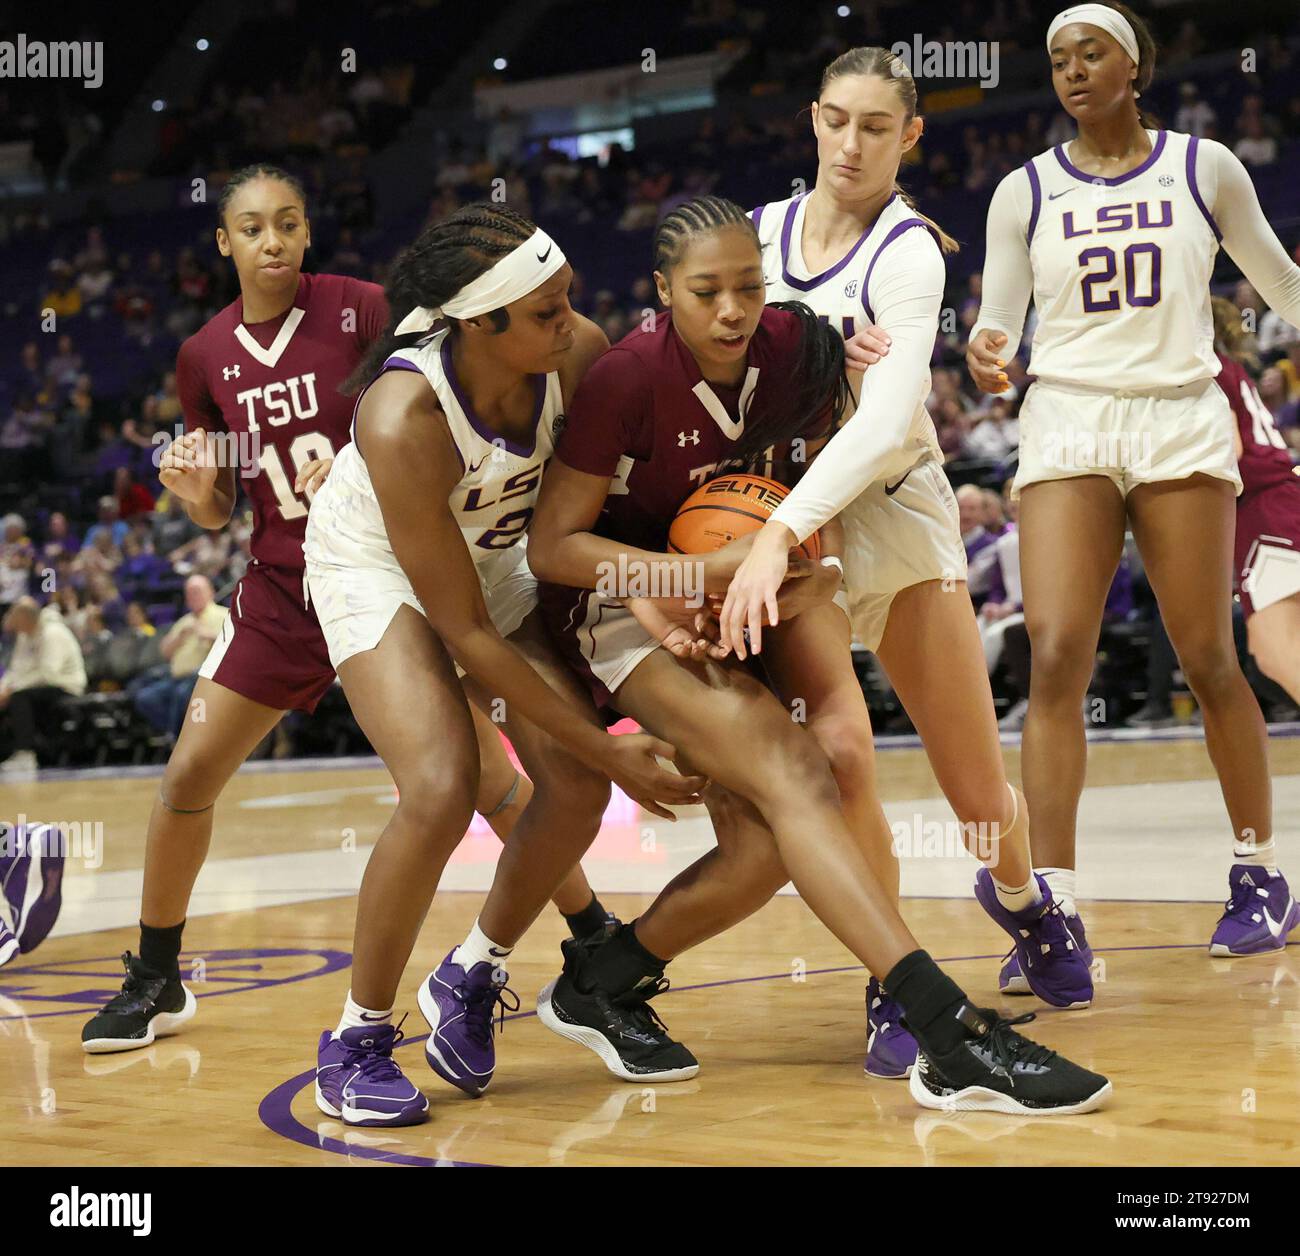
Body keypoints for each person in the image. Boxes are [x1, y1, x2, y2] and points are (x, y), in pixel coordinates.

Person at [529, 194, 1110, 1115]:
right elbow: (552, 547)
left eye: (750, 288)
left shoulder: (797, 344)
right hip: (629, 599)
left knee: (789, 819)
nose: (733, 311)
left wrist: (822, 568)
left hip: (759, 573)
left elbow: (817, 477)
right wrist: (688, 580)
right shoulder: (626, 378)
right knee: (800, 778)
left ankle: (602, 980)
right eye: (707, 293)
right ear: (663, 291)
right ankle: (945, 1028)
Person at [80, 168, 610, 1064]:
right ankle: (155, 974)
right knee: (190, 772)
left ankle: (590, 932)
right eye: (254, 227)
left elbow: (430, 387)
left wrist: (364, 455)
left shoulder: (363, 307)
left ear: (308, 230)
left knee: (482, 782)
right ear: (225, 242)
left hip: (416, 563)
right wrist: (197, 498)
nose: (274, 241)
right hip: (291, 585)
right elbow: (222, 504)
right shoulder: (203, 356)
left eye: (289, 222)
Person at [723, 45, 1095, 1061]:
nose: (851, 143)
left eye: (876, 126)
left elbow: (889, 420)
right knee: (844, 759)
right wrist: (806, 368)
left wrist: (778, 529)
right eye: (837, 120)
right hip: (788, 525)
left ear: (910, 136)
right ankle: (895, 978)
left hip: (888, 512)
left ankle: (1022, 896)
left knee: (976, 797)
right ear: (813, 118)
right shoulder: (752, 237)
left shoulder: (908, 253)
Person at [303, 202, 705, 1125]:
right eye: (546, 310)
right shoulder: (402, 415)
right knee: (442, 784)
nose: (572, 321)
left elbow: (593, 513)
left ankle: (472, 971)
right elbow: (467, 633)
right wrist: (613, 747)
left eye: (567, 298)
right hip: (378, 568)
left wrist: (660, 599)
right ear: (479, 324)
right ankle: (356, 1040)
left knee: (577, 785)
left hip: (503, 556)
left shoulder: (578, 351)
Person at [965, 3, 1300, 964]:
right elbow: (999, 316)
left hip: (1179, 416)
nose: (1073, 70)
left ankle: (1259, 873)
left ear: (1136, 67)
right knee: (1056, 653)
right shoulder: (1024, 190)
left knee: (1209, 655)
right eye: (1059, 59)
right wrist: (988, 347)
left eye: (1092, 53)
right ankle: (1052, 910)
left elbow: (1279, 282)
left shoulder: (1206, 167)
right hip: (1069, 416)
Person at [1215, 297, 1300, 718]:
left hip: (1265, 511)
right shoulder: (1229, 368)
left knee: (1277, 649)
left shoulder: (1202, 369)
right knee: (1270, 654)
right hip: (1282, 499)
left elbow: (1228, 450)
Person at [0, 597, 87, 777]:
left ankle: (25, 754)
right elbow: (15, 669)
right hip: (35, 687)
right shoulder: (24, 635)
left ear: (25, 618)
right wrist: (3, 689)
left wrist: (13, 689)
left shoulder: (52, 632)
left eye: (14, 618)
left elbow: (49, 674)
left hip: (66, 686)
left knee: (19, 697)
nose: (11, 623)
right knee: (11, 696)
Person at [132, 575, 226, 737]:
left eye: (196, 591)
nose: (192, 596)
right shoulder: (184, 621)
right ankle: (176, 734)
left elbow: (234, 646)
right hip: (176, 677)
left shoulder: (224, 615)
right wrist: (179, 638)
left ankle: (180, 737)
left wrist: (209, 636)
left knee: (182, 695)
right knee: (146, 698)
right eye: (188, 593)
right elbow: (165, 652)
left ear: (210, 592)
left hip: (205, 679)